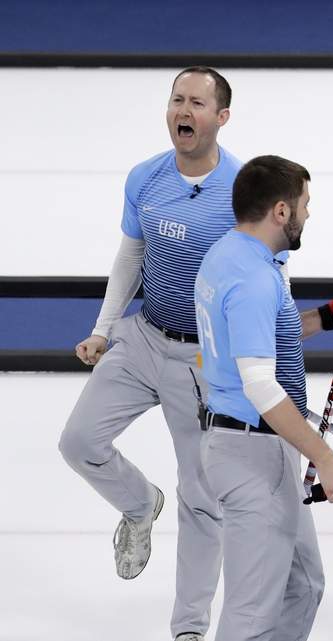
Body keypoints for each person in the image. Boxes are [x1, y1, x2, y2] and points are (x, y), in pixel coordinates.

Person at [57, 66, 238, 641]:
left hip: (204, 363)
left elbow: (265, 282)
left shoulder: (245, 189)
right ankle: (140, 505)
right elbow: (130, 258)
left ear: (220, 118)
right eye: (176, 100)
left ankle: (188, 629)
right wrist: (104, 329)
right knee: (79, 442)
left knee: (203, 499)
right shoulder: (145, 178)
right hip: (142, 338)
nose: (183, 111)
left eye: (196, 103)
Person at [195, 155, 333, 641]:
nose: (308, 214)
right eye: (305, 204)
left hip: (257, 448)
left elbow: (260, 339)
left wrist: (328, 316)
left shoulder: (231, 257)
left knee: (303, 585)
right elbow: (260, 385)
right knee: (251, 616)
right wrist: (327, 458)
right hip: (252, 452)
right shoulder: (255, 280)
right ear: (281, 211)